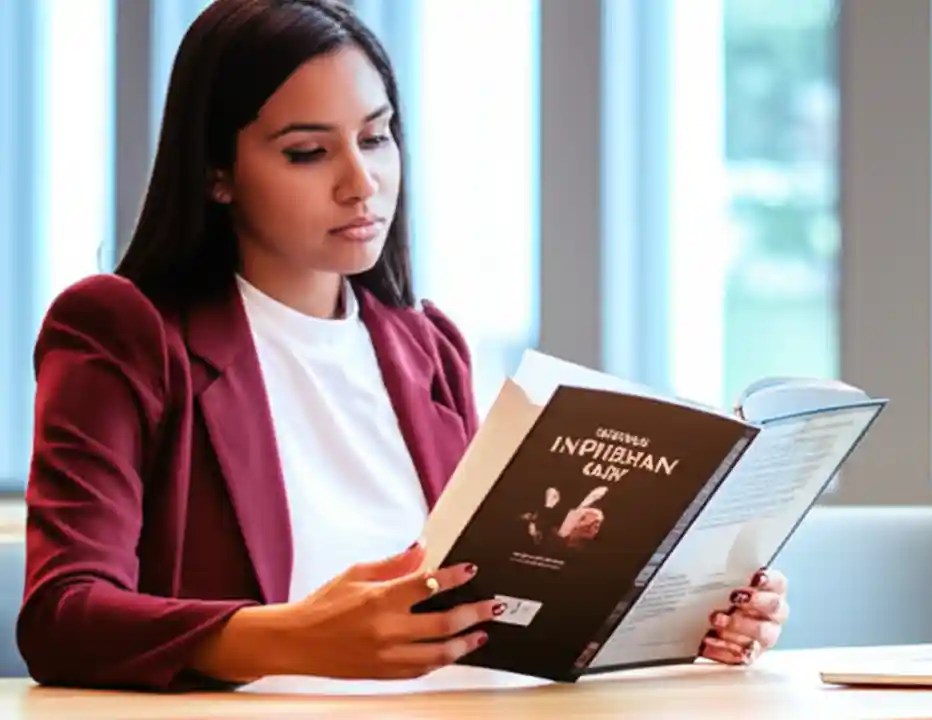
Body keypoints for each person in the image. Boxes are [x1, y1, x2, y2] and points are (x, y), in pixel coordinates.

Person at [17, 0, 788, 692]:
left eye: (377, 137)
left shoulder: (427, 344)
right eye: (307, 152)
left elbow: (501, 599)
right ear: (217, 173)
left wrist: (684, 615)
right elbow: (64, 617)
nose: (362, 182)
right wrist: (295, 638)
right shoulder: (123, 328)